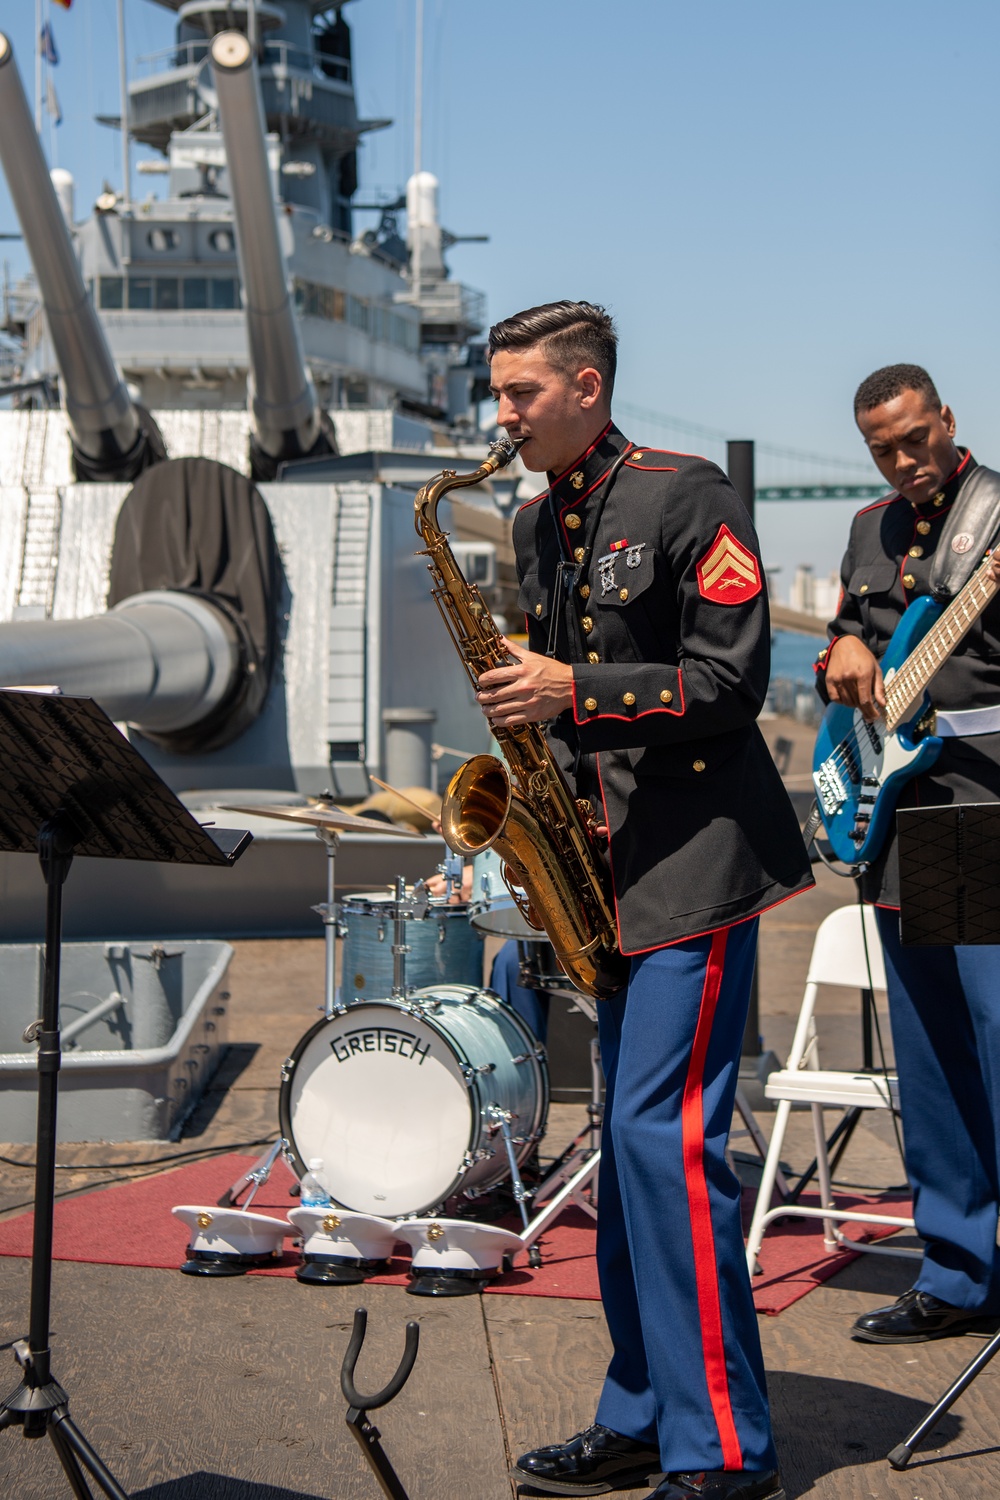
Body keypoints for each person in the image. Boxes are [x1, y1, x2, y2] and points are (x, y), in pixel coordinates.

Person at [476, 301, 812, 1500]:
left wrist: (573, 686)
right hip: (605, 876)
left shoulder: (687, 496)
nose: (502, 415)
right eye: (497, 393)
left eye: (519, 393)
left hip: (694, 862)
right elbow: (554, 710)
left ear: (586, 386)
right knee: (627, 1153)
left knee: (660, 1144)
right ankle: (639, 1417)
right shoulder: (534, 522)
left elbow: (730, 680)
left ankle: (721, 1449)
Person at [816, 363, 1000, 1344]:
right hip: (895, 817)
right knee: (932, 1061)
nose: (903, 462)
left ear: (947, 420)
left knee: (995, 1046)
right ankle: (958, 1274)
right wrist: (838, 651)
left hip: (977, 809)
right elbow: (849, 636)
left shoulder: (994, 517)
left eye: (915, 439)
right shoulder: (866, 531)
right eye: (882, 450)